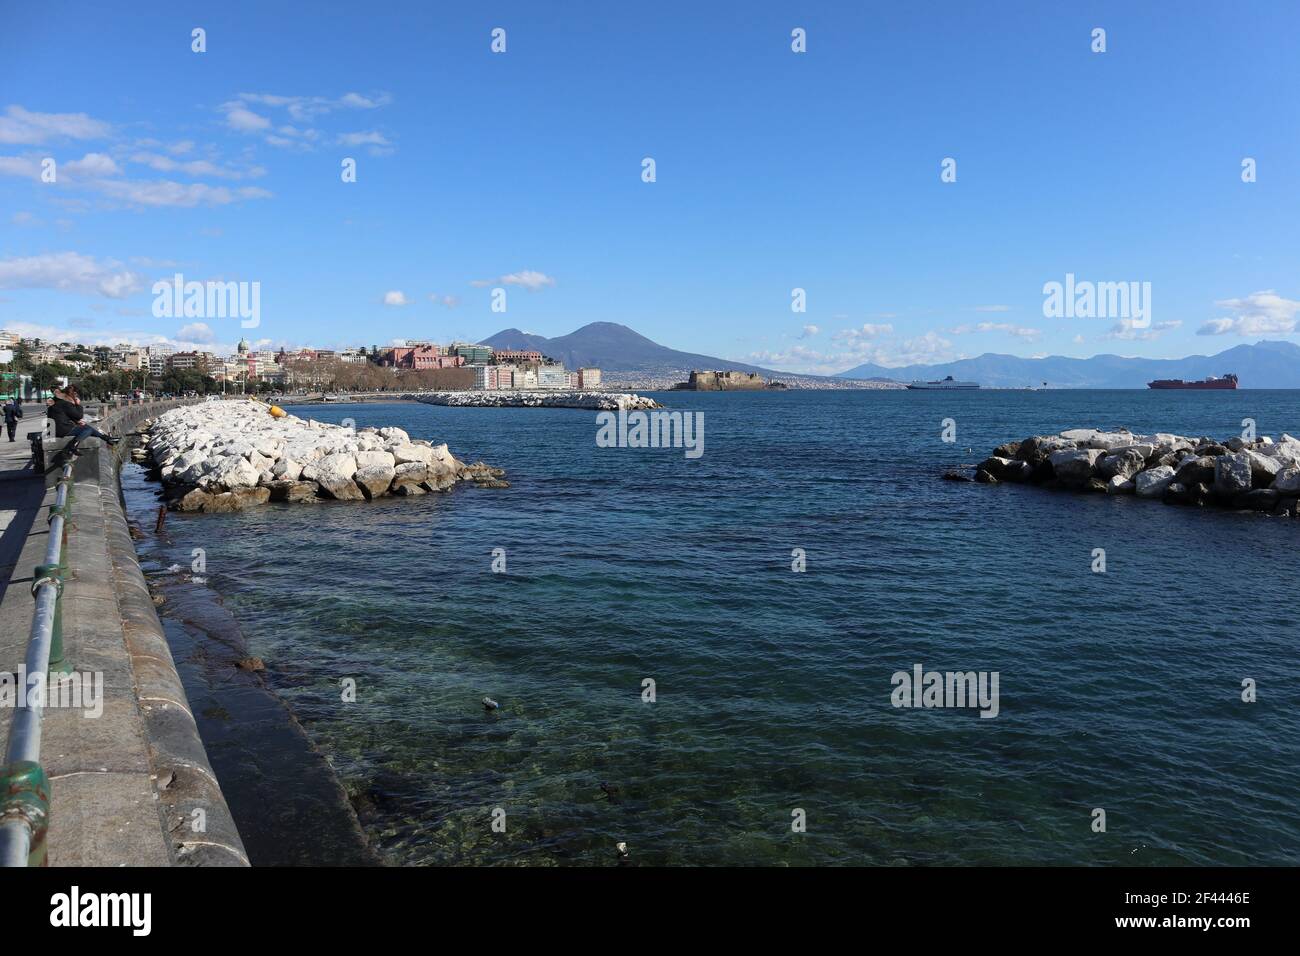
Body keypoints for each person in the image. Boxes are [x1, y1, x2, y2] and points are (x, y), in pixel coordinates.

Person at [48, 385, 119, 453]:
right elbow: (79, 415)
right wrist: (78, 404)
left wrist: (77, 421)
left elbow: (65, 415)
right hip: (61, 431)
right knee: (88, 429)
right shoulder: (65, 403)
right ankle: (73, 445)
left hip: (53, 430)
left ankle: (107, 439)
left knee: (85, 427)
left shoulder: (56, 403)